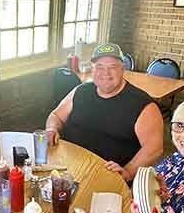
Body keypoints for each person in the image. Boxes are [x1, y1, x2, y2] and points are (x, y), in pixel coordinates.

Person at [45, 43, 163, 182]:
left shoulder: (143, 105)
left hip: (108, 175)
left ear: (122, 69)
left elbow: (154, 148)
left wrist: (128, 172)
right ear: (92, 69)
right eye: (99, 67)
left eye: (112, 67)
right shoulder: (81, 91)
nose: (105, 73)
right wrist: (52, 128)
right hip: (68, 166)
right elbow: (56, 115)